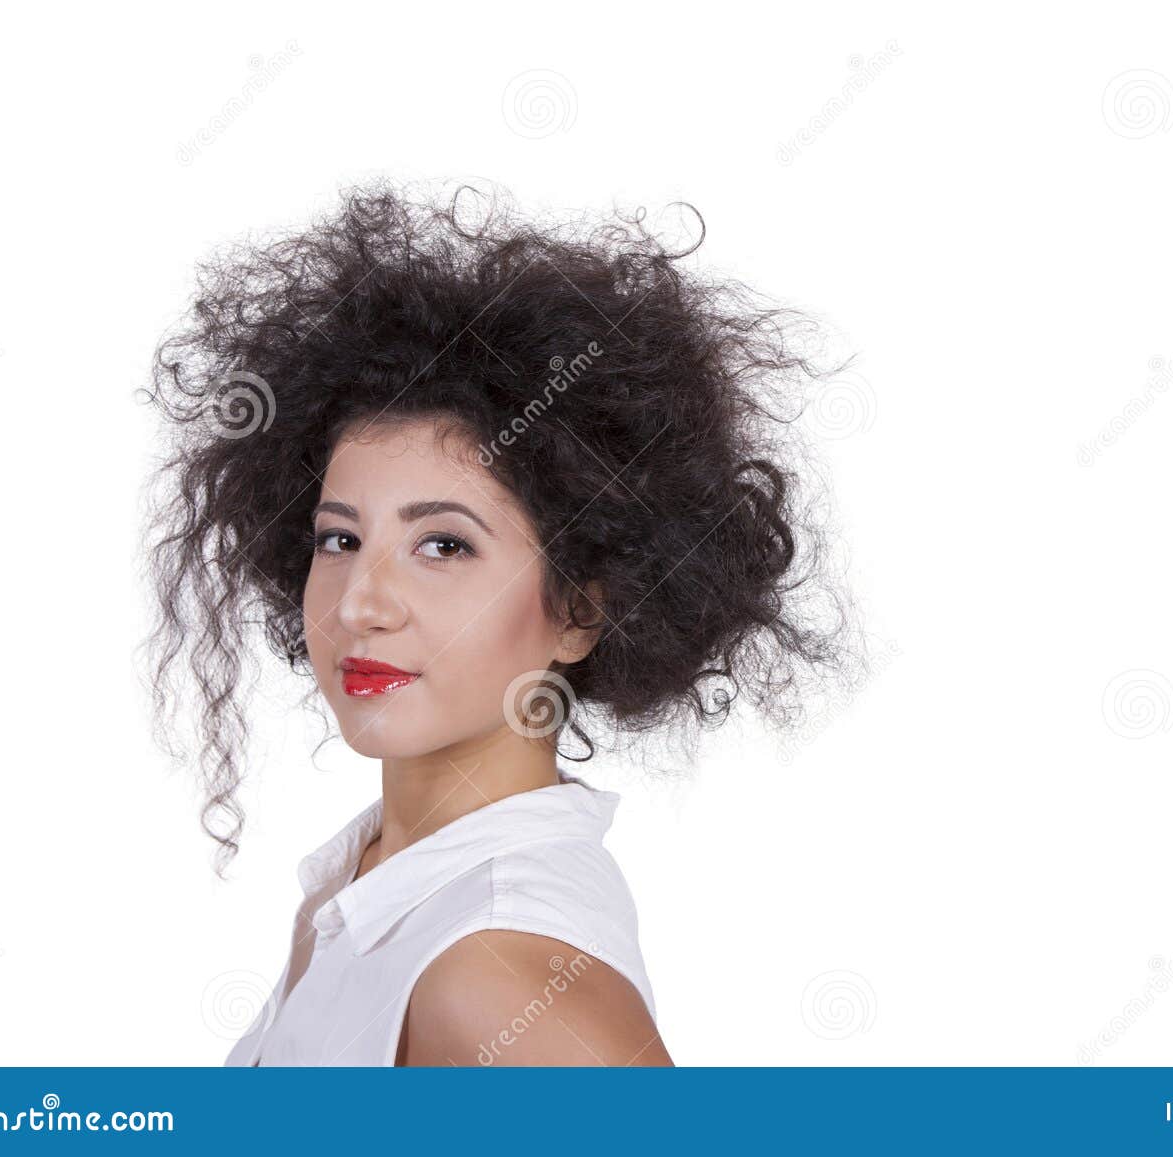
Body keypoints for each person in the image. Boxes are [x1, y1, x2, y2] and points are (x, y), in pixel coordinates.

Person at [136, 180, 857, 1066]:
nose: (362, 601)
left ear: (582, 607)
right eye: (339, 537)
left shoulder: (494, 975)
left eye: (443, 545)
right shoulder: (365, 884)